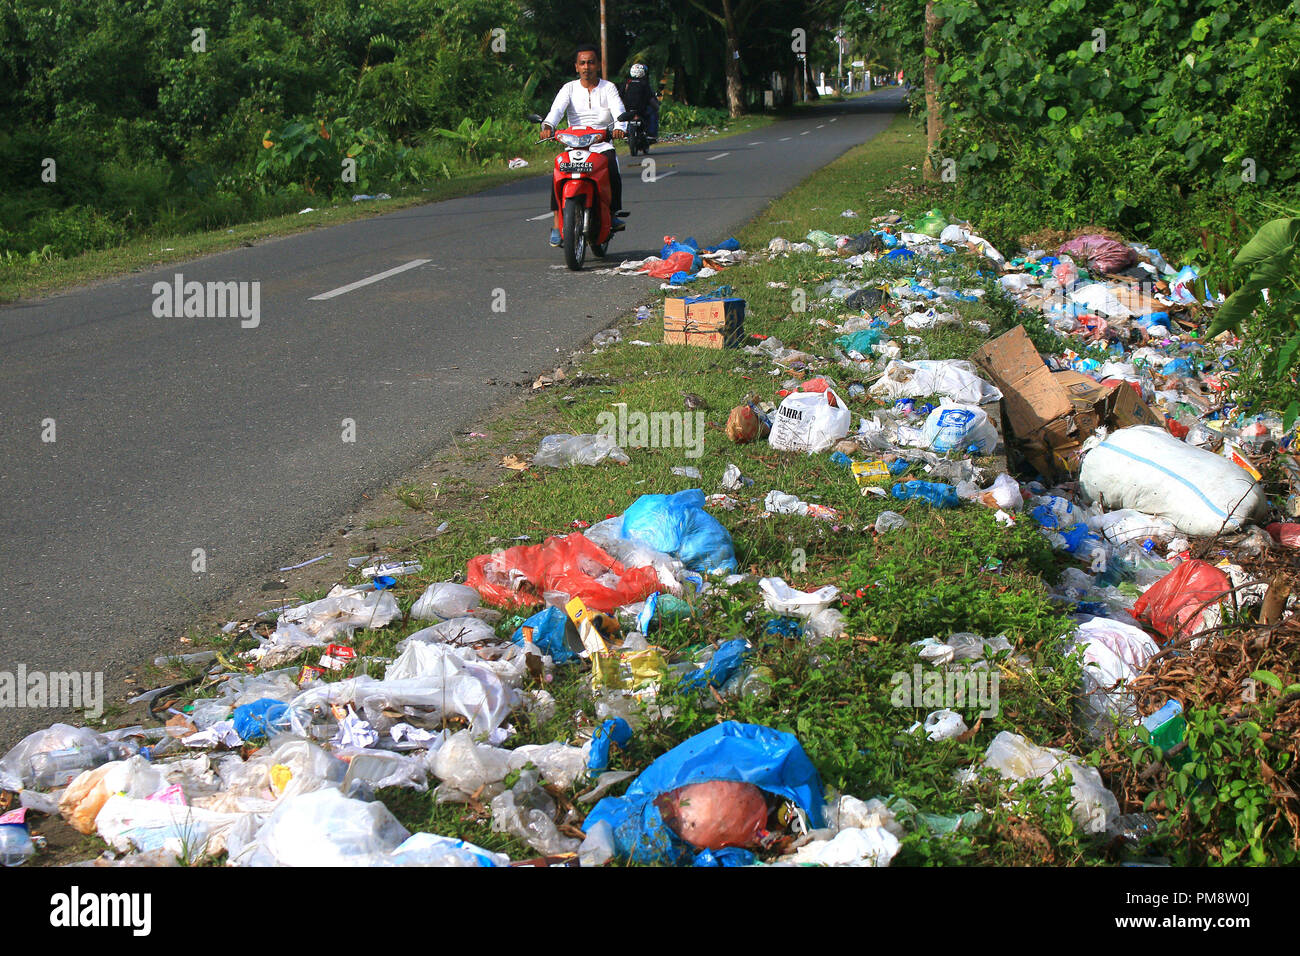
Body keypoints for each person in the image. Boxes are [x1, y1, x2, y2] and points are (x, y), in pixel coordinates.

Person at [541, 44, 627, 247]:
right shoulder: (568, 89)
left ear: (598, 65)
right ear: (576, 67)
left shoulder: (609, 88)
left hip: (601, 144)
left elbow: (619, 111)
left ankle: (612, 213)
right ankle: (556, 224)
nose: (586, 67)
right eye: (582, 63)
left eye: (590, 62)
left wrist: (620, 128)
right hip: (574, 146)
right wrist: (547, 125)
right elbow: (556, 111)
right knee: (557, 173)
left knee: (612, 170)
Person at [621, 63, 659, 142]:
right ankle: (652, 134)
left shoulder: (627, 83)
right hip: (642, 110)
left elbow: (620, 95)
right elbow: (650, 97)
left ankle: (624, 132)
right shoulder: (644, 83)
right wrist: (656, 106)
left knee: (622, 116)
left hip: (628, 110)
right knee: (653, 114)